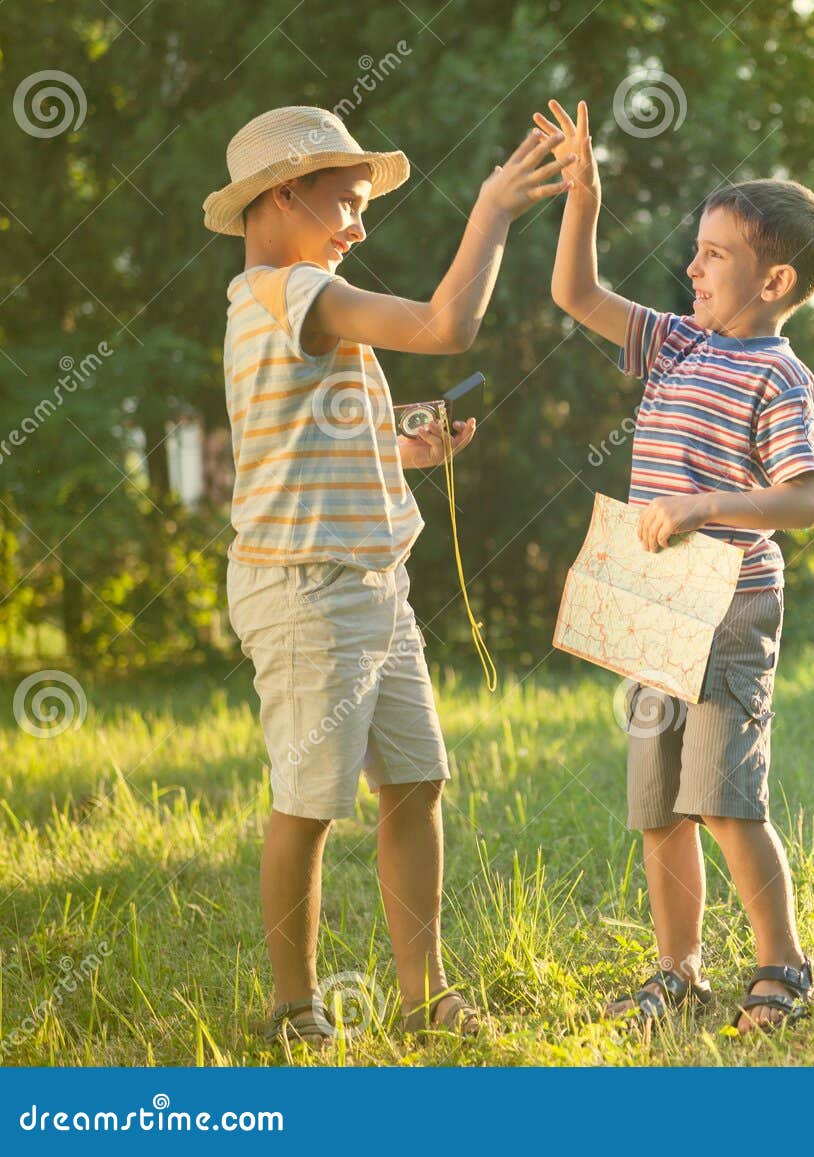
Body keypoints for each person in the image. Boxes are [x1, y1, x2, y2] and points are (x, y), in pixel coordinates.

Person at [203, 104, 572, 1045]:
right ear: (282, 194)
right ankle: (295, 1005)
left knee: (415, 782)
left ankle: (423, 992)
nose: (359, 227)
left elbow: (311, 440)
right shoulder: (291, 293)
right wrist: (491, 208)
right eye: (347, 204)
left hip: (373, 580)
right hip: (307, 587)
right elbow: (448, 326)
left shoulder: (297, 301)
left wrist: (403, 449)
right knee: (310, 800)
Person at [543, 98, 814, 1031]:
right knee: (661, 803)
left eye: (715, 254)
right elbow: (577, 296)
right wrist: (583, 197)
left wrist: (706, 504)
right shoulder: (675, 343)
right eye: (697, 250)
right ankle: (678, 971)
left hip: (729, 609)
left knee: (722, 798)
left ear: (773, 277)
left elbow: (804, 500)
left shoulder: (778, 377)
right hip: (653, 605)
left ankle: (782, 967)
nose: (692, 266)